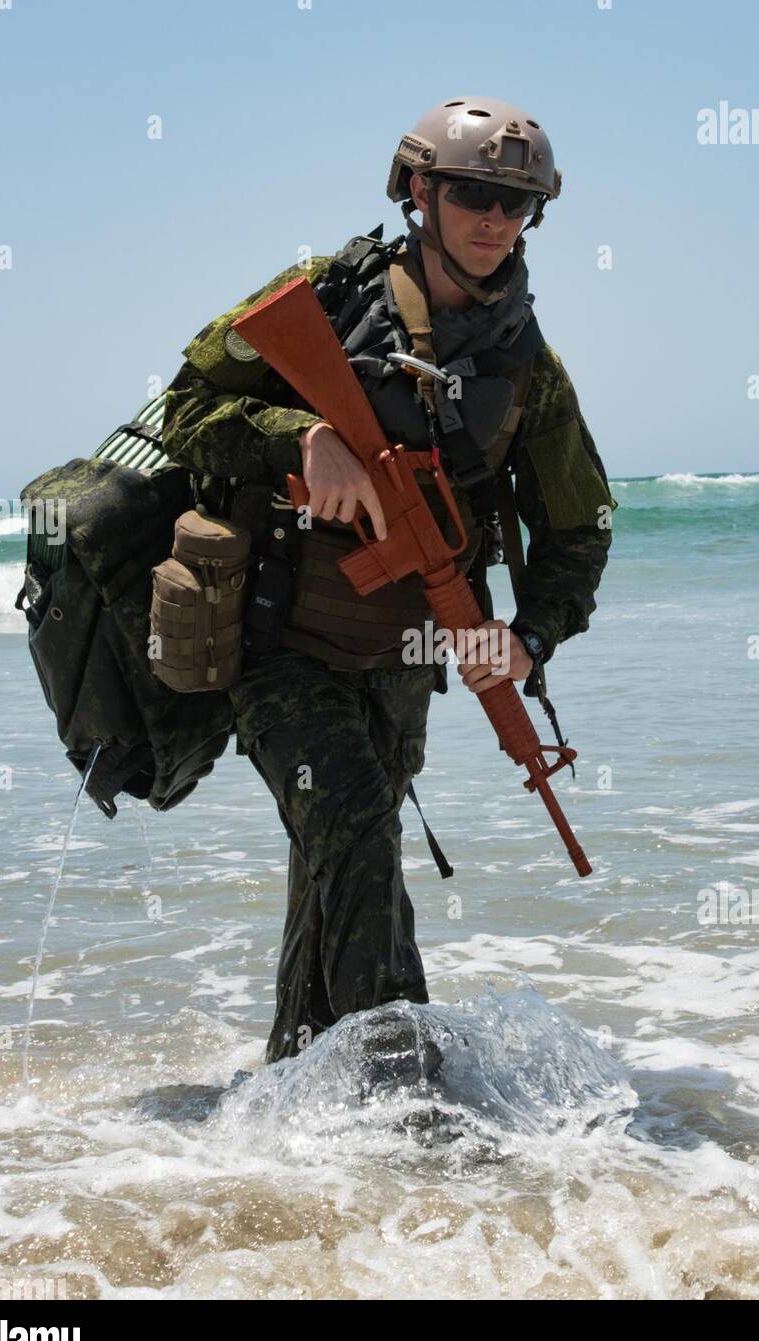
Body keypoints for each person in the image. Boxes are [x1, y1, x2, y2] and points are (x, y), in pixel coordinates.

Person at [159, 96, 616, 1067]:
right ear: (418, 189)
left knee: (336, 860)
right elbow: (184, 413)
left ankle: (293, 1080)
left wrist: (527, 636)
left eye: (516, 203)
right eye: (474, 194)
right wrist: (302, 438)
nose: (495, 219)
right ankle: (408, 1098)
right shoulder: (325, 299)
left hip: (402, 661)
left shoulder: (526, 366)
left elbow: (581, 527)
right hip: (280, 642)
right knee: (359, 834)